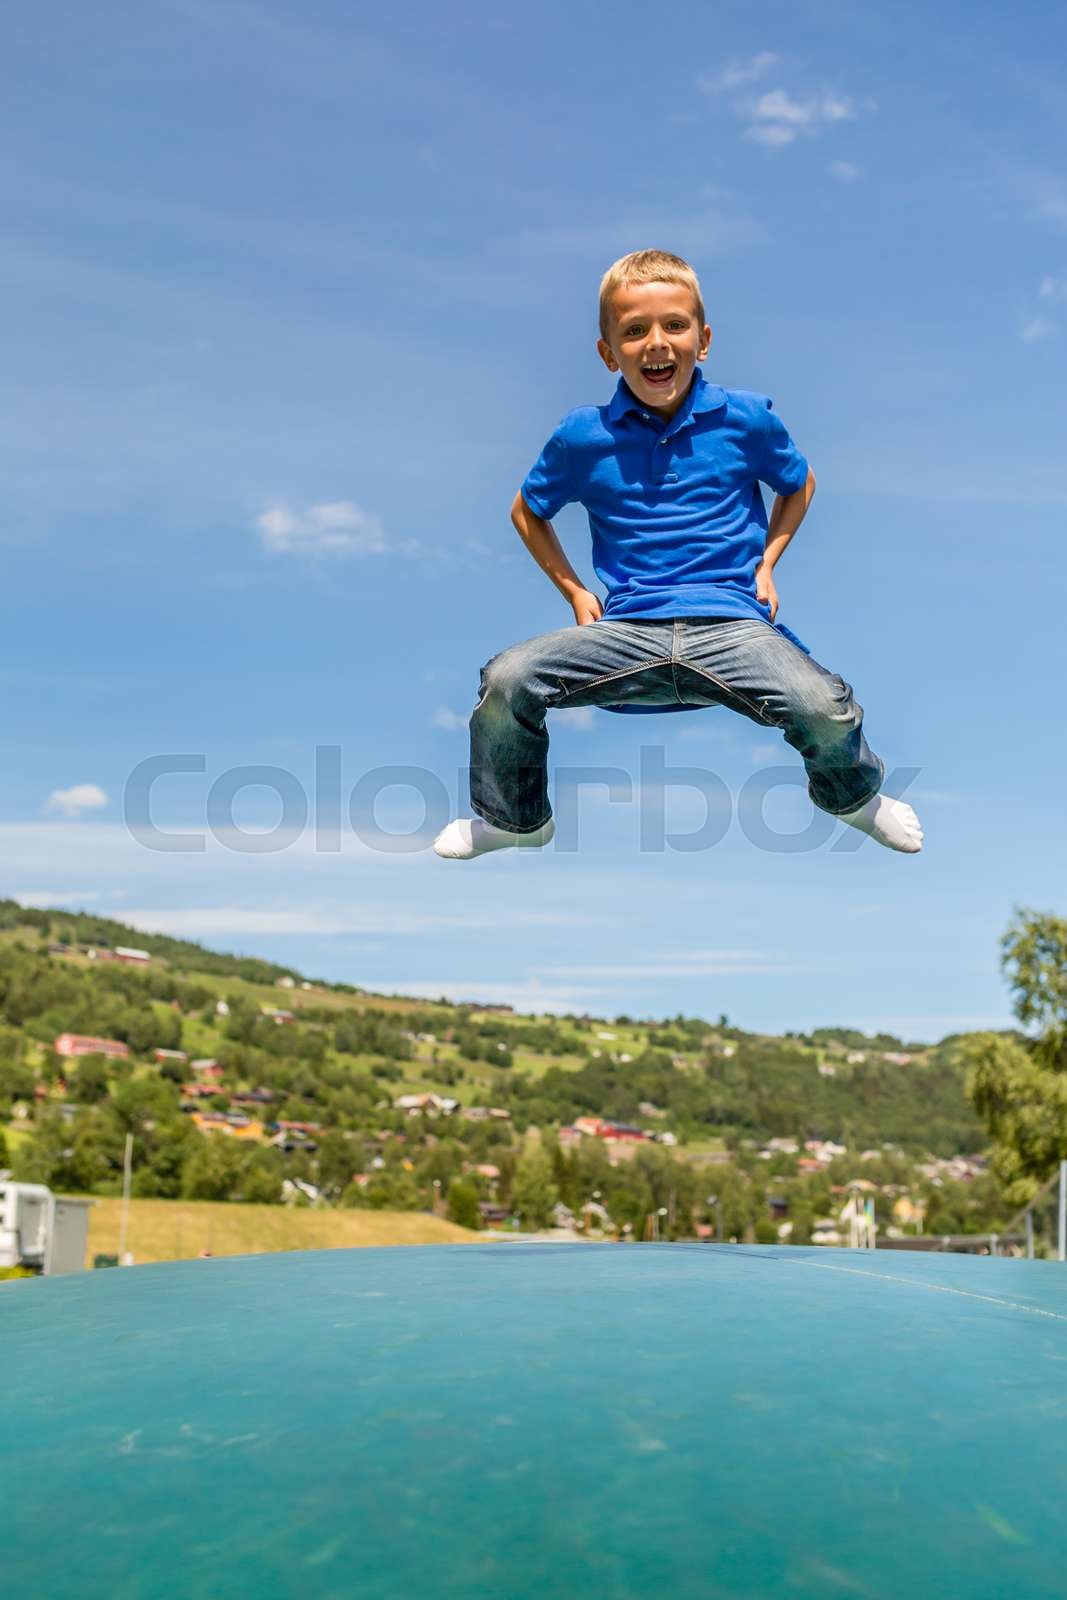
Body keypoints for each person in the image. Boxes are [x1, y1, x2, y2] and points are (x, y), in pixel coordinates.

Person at [433, 248, 922, 860]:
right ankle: (514, 817)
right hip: (627, 634)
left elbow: (799, 484)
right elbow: (526, 511)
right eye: (633, 331)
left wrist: (768, 562)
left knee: (821, 704)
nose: (655, 343)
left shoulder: (746, 419)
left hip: (733, 627)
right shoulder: (582, 437)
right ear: (609, 352)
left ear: (703, 338)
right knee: (507, 679)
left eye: (674, 325)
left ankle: (854, 799)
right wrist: (577, 593)